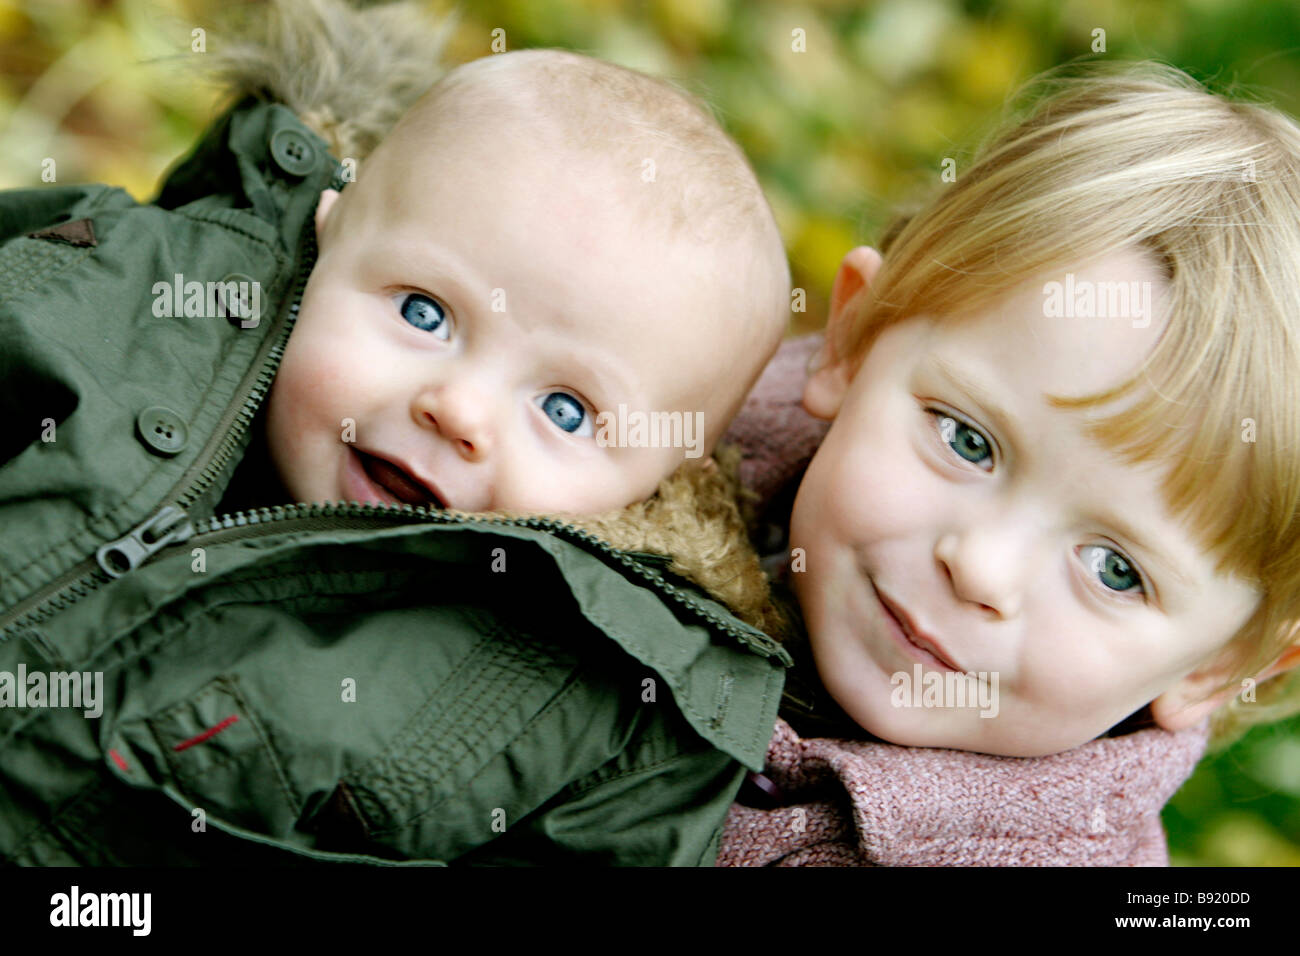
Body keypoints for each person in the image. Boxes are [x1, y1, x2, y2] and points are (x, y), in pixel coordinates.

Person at [0, 0, 791, 865]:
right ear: (330, 231)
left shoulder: (608, 711)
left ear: (658, 477)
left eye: (565, 411)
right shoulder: (122, 290)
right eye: (425, 312)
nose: (456, 411)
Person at [718, 60, 1300, 865]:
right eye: (967, 440)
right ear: (853, 341)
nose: (981, 571)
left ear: (1221, 667)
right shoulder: (612, 449)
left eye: (1114, 569)